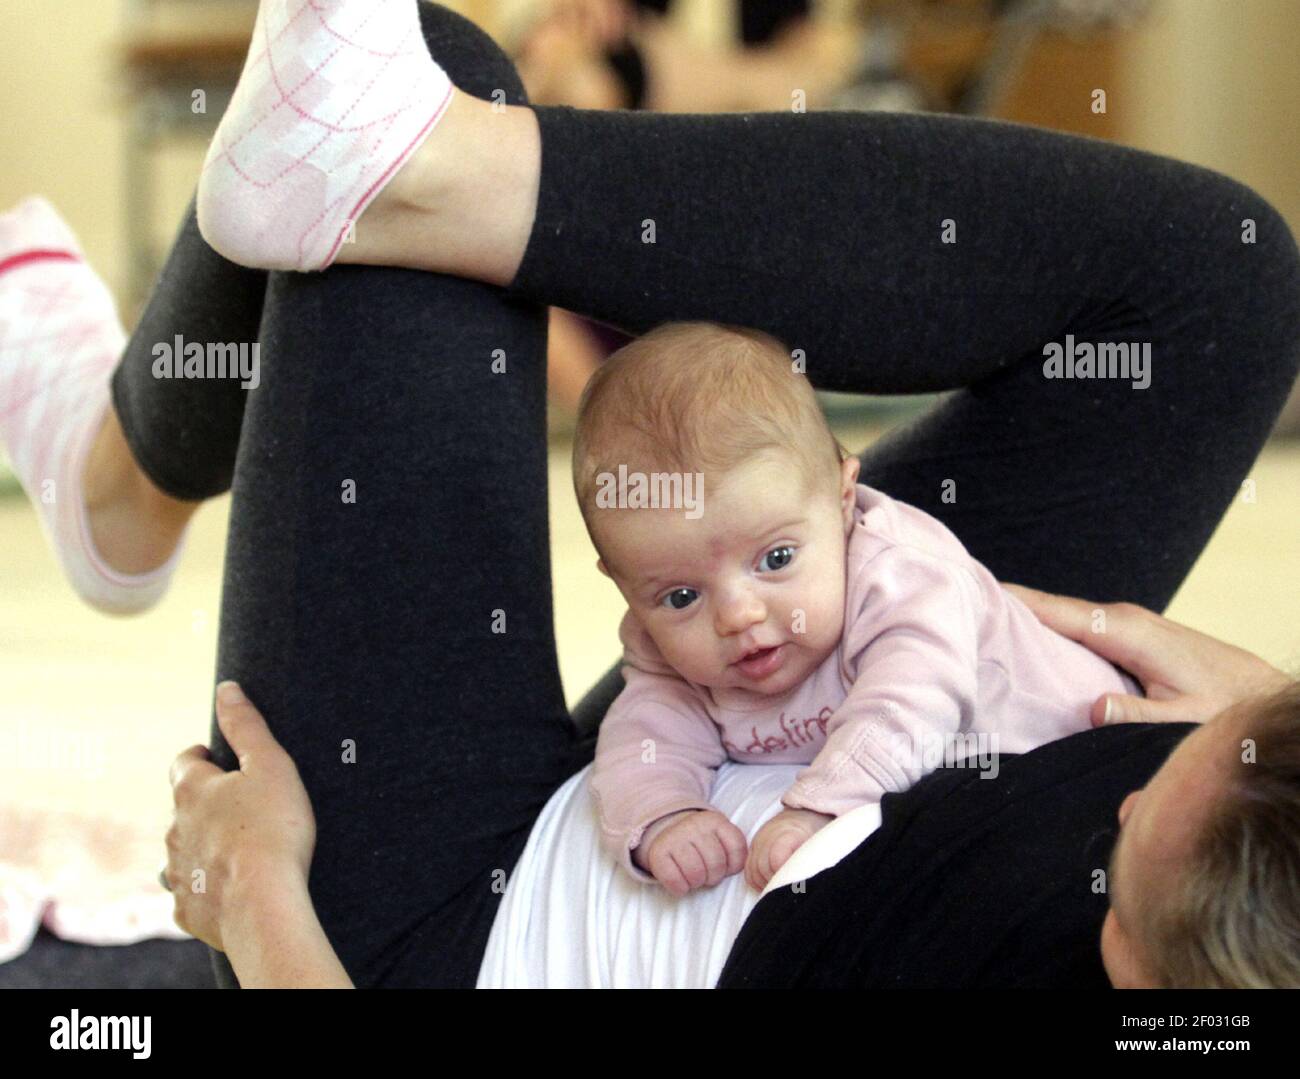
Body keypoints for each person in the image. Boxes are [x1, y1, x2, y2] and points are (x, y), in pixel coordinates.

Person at [2, 0, 1297, 987]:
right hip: (753, 713)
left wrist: (264, 910)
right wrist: (1260, 721)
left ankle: (131, 477)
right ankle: (373, 205)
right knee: (1213, 294)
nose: (1124, 790)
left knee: (435, 71)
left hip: (464, 923)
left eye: (1131, 880)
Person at [576, 321, 1142, 894]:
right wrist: (662, 817)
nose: (738, 616)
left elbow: (909, 704)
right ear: (625, 587)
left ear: (844, 502)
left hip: (1091, 756)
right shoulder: (668, 649)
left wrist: (822, 809)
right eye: (681, 596)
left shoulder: (902, 578)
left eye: (775, 559)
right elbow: (641, 735)